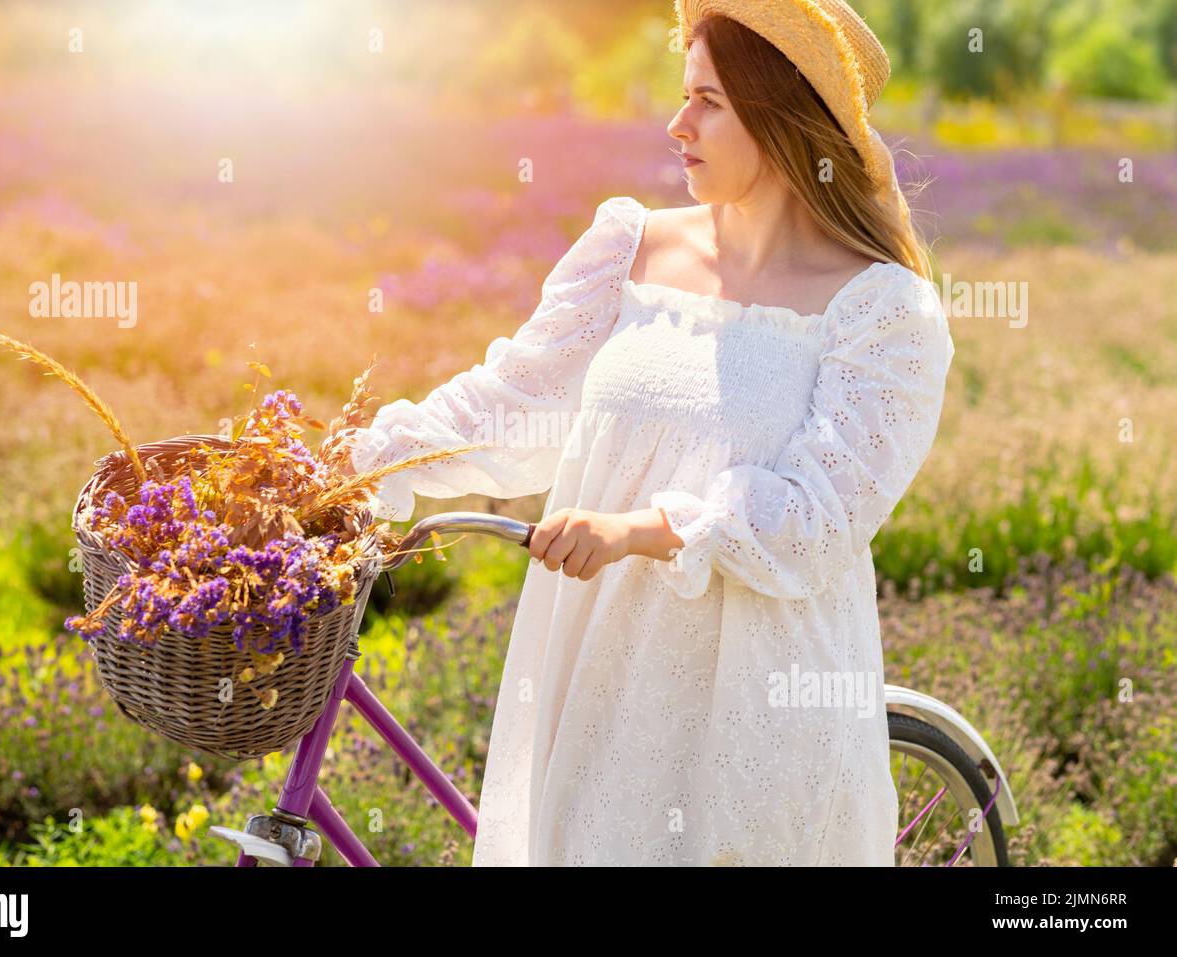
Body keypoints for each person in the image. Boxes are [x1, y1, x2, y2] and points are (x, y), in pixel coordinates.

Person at [345, 0, 955, 865]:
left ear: (780, 117)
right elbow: (514, 398)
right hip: (598, 681)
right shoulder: (627, 249)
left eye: (708, 101)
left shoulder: (881, 310)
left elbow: (816, 517)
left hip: (754, 705)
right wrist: (357, 462)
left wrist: (633, 531)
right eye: (683, 95)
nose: (677, 124)